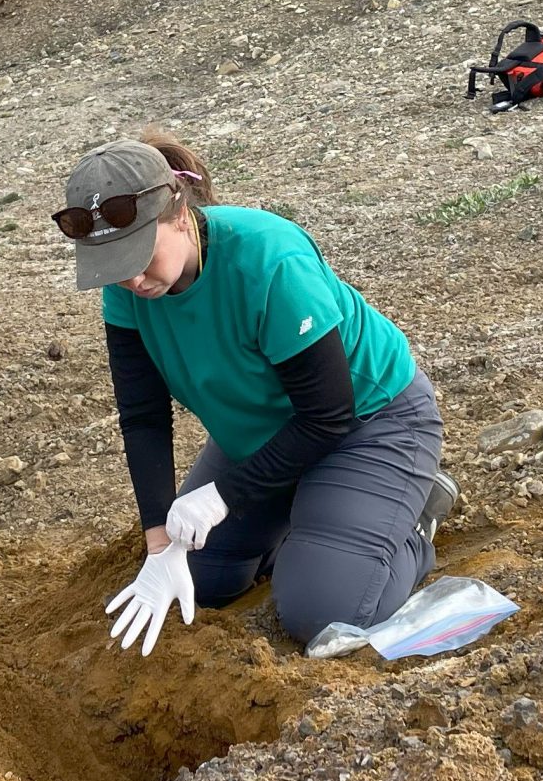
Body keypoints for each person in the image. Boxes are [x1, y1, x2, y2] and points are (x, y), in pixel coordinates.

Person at [59, 134, 460, 655]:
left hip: (367, 424)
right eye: (114, 264)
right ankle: (319, 515)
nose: (132, 277)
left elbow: (327, 416)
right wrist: (159, 541)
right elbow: (143, 417)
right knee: (201, 582)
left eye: (141, 253)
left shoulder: (269, 258)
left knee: (323, 611)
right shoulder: (126, 287)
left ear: (179, 214)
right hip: (261, 435)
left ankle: (412, 520)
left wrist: (224, 495)